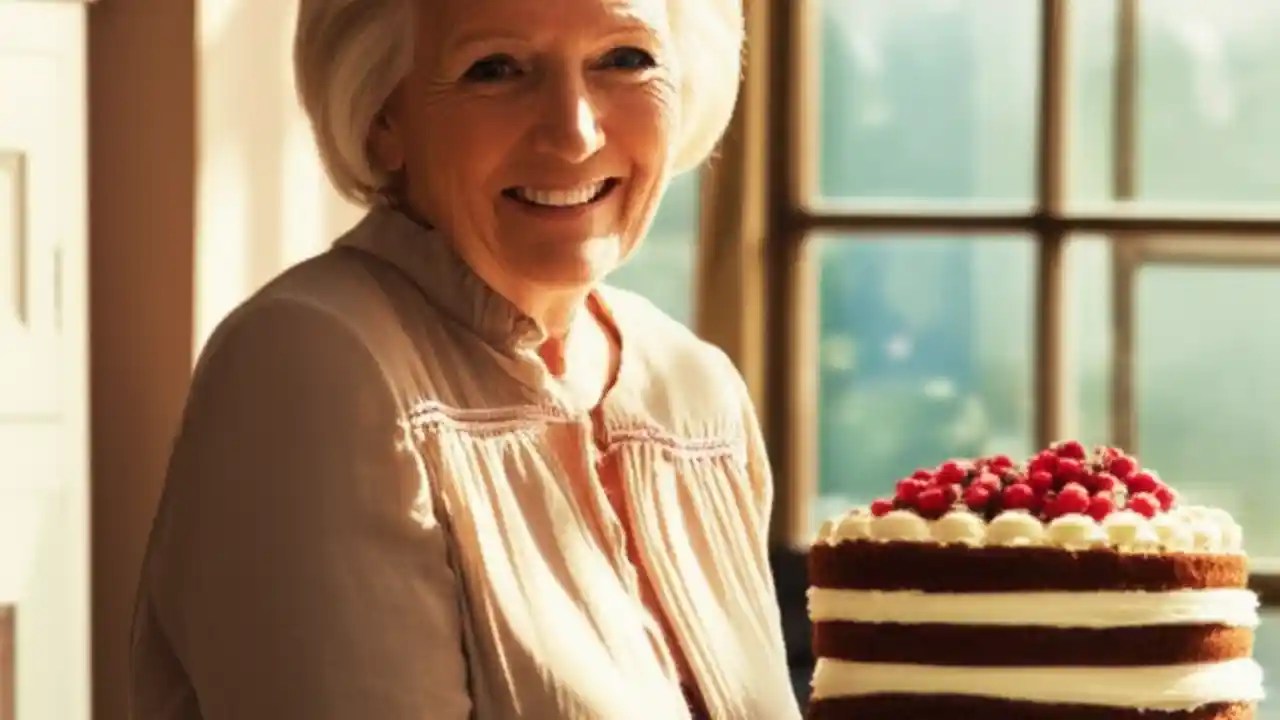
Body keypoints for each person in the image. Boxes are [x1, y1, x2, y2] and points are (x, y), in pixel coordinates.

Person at [128, 0, 801, 717]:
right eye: (497, 69)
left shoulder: (694, 391)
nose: (574, 133)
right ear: (383, 115)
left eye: (626, 58)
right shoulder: (312, 364)